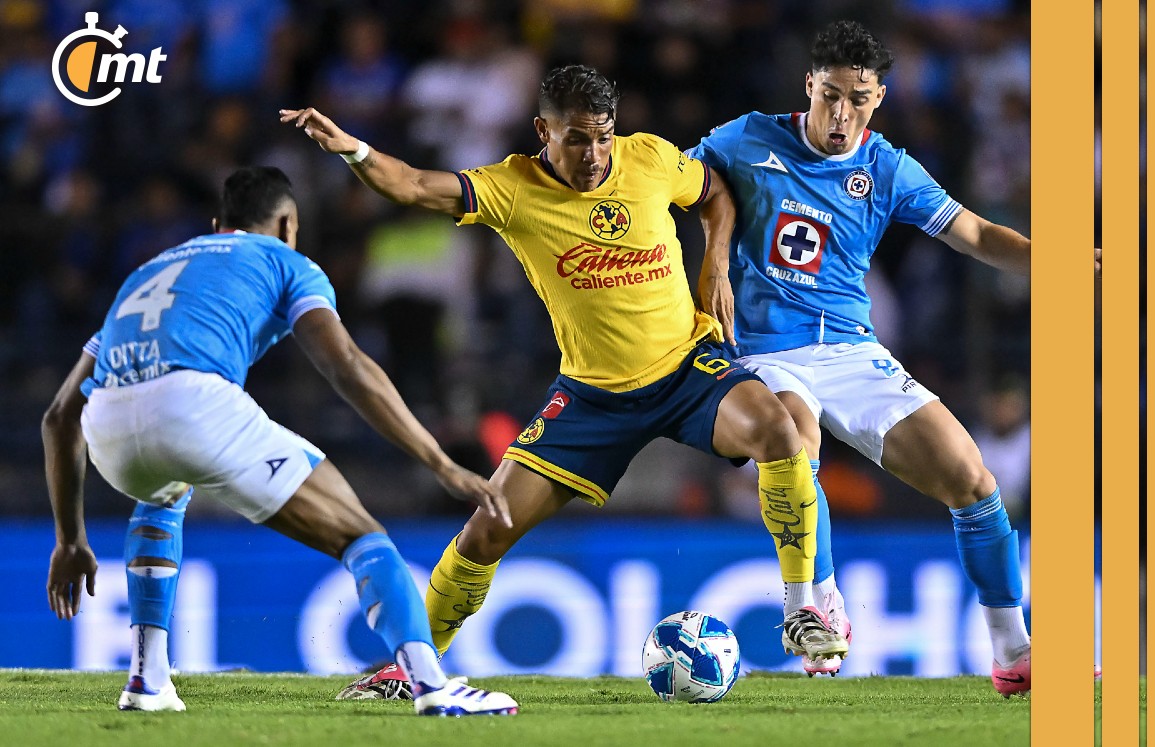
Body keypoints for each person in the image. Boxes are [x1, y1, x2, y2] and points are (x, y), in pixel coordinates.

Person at [281, 64, 850, 699]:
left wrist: (715, 262)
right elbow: (413, 184)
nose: (594, 154)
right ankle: (411, 668)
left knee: (778, 430)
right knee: (488, 526)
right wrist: (354, 150)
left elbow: (714, 191)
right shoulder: (513, 188)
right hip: (591, 398)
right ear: (543, 131)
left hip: (687, 368)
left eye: (603, 136)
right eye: (577, 139)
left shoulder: (650, 158)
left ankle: (805, 606)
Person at [42, 166, 519, 717]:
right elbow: (345, 364)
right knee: (361, 535)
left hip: (107, 426)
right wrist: (438, 460)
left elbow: (58, 417)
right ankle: (431, 685)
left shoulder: (148, 272)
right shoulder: (286, 261)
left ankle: (147, 679)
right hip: (191, 402)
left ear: (217, 225)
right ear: (289, 224)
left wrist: (70, 540)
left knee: (163, 493)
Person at [687, 20, 1070, 696]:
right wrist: (713, 258)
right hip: (767, 350)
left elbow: (974, 232)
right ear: (809, 85)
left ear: (880, 98)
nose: (842, 114)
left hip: (852, 350)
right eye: (830, 95)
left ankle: (1014, 652)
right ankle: (814, 600)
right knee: (794, 438)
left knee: (972, 479)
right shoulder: (746, 138)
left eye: (858, 100)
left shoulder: (887, 168)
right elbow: (678, 183)